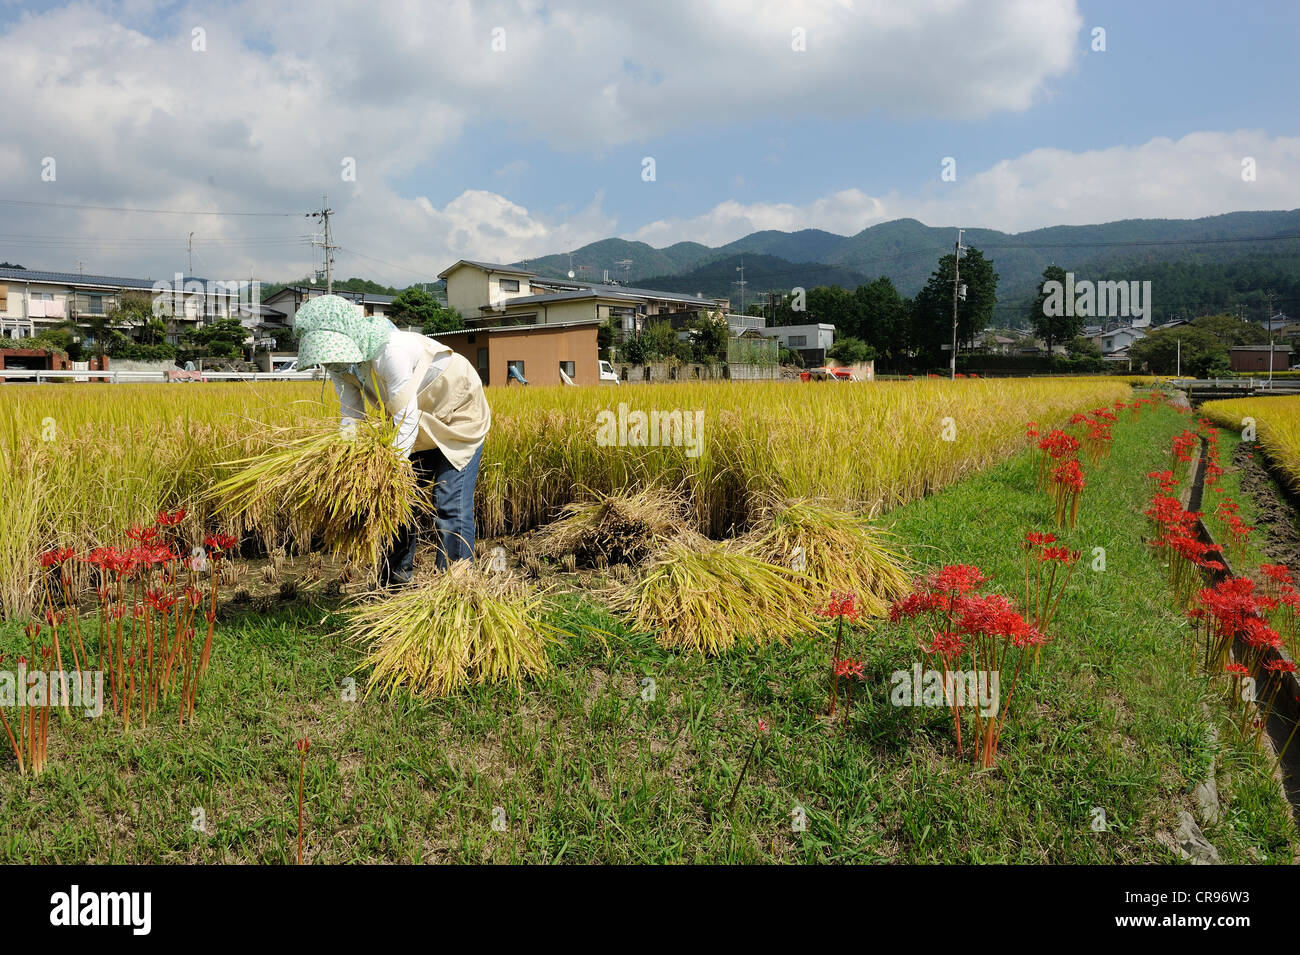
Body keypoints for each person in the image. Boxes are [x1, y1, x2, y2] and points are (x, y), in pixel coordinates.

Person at [293, 294, 491, 587]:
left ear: (348, 334)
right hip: (415, 423)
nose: (328, 359)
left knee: (449, 502)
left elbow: (406, 417)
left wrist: (389, 471)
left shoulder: (389, 349)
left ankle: (456, 587)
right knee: (397, 502)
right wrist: (344, 460)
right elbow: (351, 416)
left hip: (456, 413)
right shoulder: (340, 365)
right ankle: (393, 583)